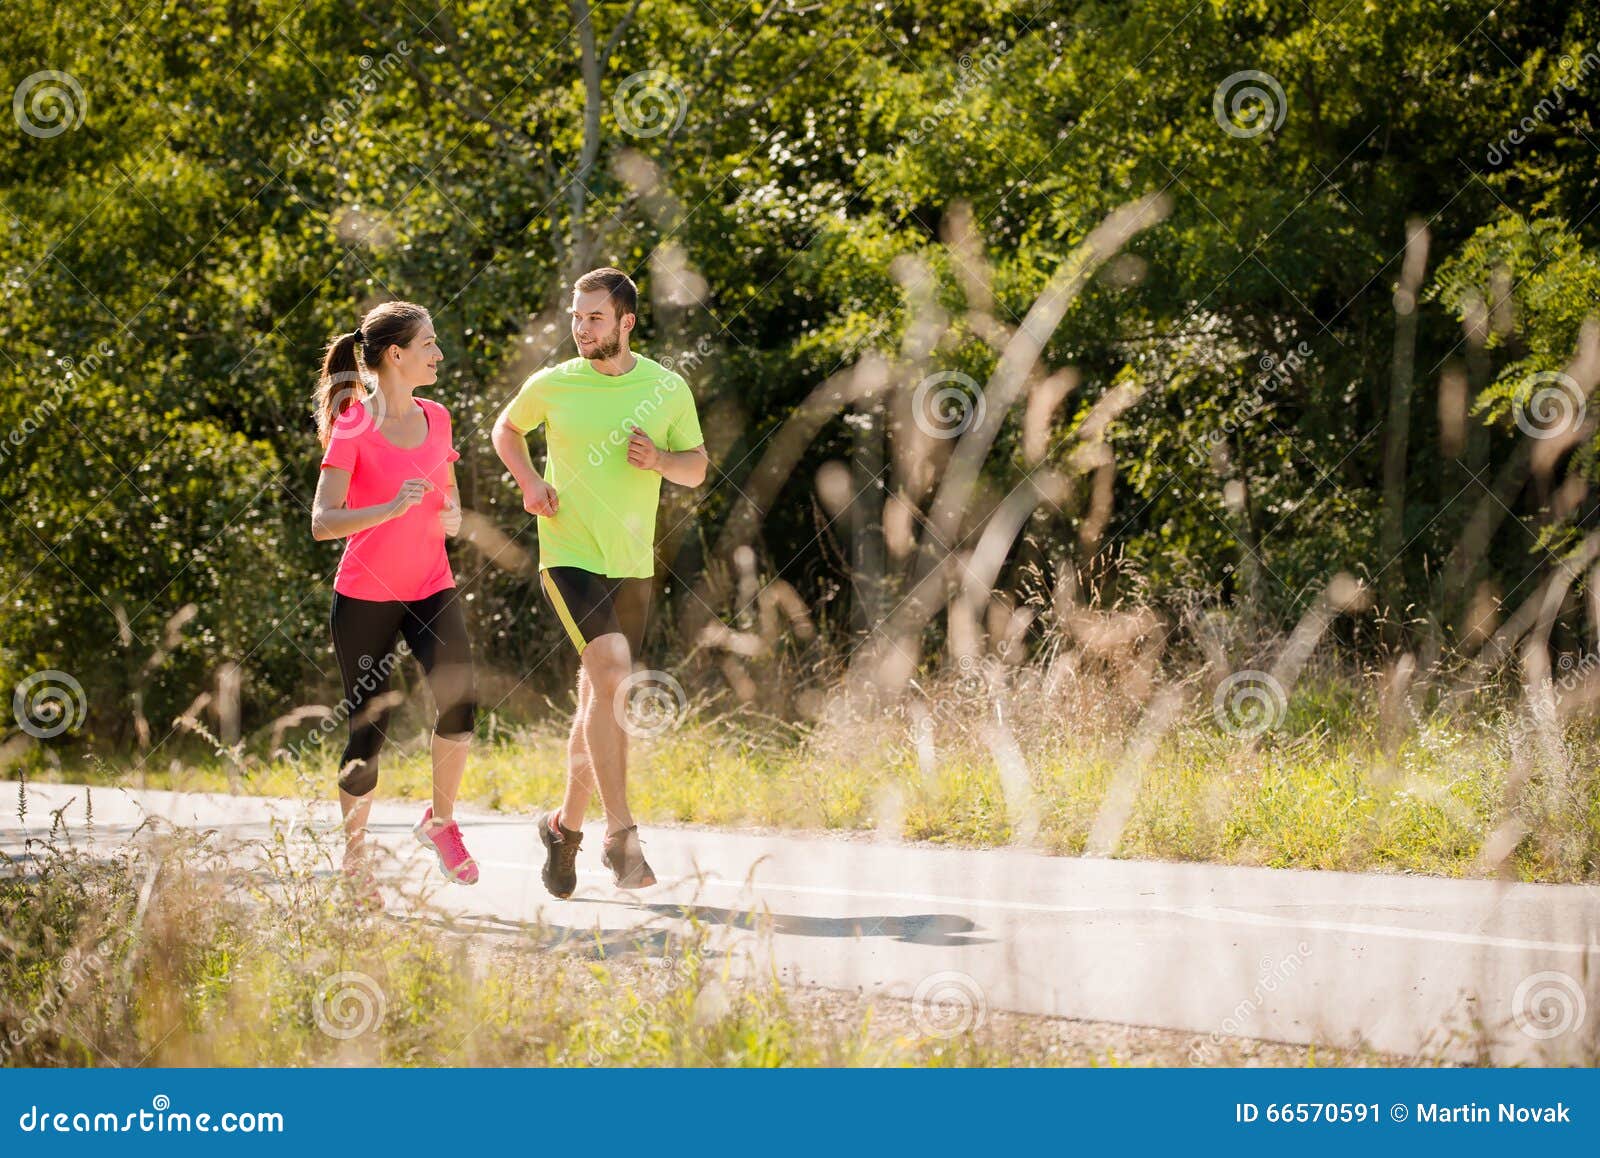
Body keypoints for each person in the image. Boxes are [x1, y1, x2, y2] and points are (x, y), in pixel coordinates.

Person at [492, 267, 708, 897]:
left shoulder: (665, 387)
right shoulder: (553, 384)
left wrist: (660, 461)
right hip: (569, 551)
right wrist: (531, 483)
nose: (580, 329)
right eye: (576, 317)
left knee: (599, 698)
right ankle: (621, 837)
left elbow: (695, 469)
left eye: (593, 318)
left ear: (625, 322)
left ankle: (563, 829)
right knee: (613, 673)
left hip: (632, 561)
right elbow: (505, 429)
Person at [310, 300, 480, 901]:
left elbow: (448, 493)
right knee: (370, 729)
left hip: (431, 585)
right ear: (396, 354)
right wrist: (389, 508)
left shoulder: (439, 417)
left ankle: (441, 822)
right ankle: (354, 862)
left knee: (462, 703)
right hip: (366, 596)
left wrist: (453, 513)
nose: (438, 353)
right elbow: (322, 521)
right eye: (429, 343)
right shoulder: (354, 423)